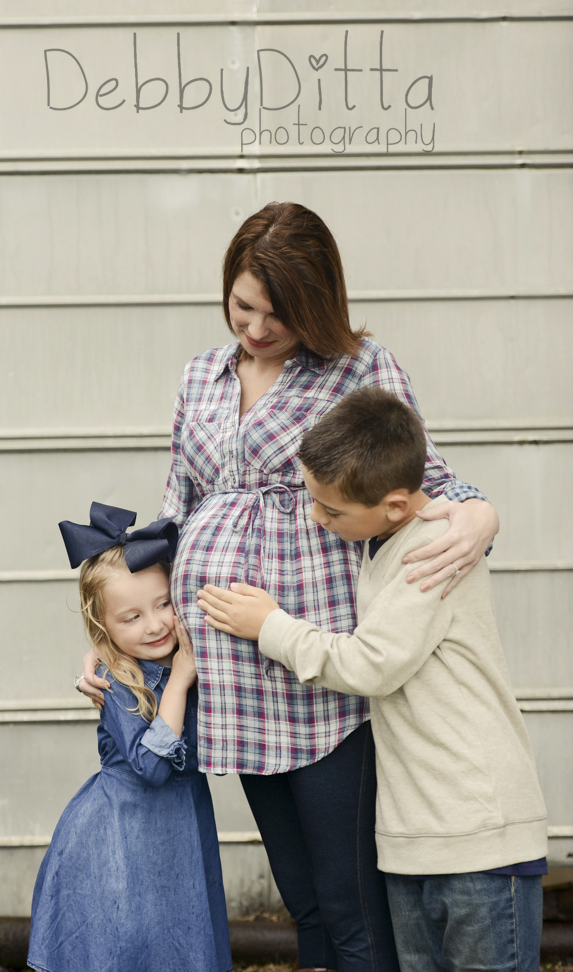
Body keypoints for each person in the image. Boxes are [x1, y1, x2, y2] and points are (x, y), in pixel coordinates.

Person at [78, 202, 500, 972]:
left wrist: (481, 513)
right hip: (229, 672)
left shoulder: (359, 370)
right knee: (301, 898)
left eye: (280, 312)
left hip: (317, 669)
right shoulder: (201, 375)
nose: (257, 328)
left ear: (317, 303)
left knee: (349, 906)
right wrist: (114, 648)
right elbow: (173, 512)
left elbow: (428, 479)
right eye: (243, 306)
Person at [197, 386, 547, 972]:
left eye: (330, 511)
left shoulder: (432, 548)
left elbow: (373, 664)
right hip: (415, 838)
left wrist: (271, 627)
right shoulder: (382, 543)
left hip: (478, 834)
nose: (315, 517)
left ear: (392, 506)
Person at [28, 502, 232, 972]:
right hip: (118, 834)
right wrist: (178, 682)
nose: (156, 624)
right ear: (103, 628)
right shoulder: (118, 681)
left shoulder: (192, 653)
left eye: (163, 604)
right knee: (128, 944)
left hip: (181, 827)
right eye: (132, 617)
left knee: (181, 937)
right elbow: (153, 766)